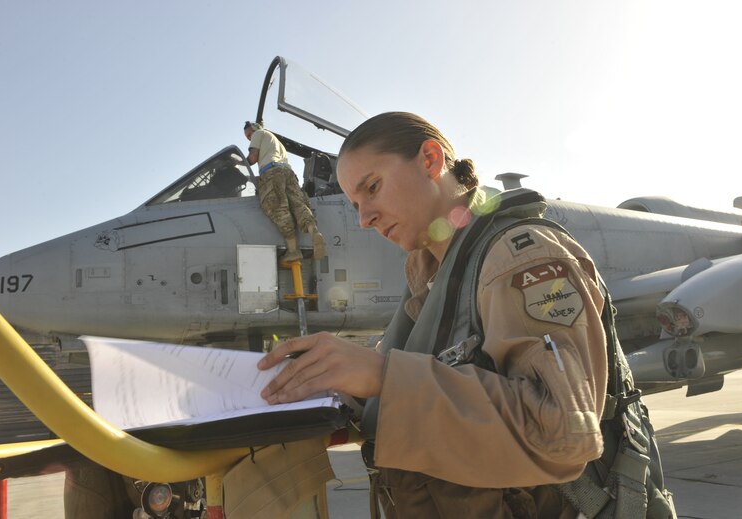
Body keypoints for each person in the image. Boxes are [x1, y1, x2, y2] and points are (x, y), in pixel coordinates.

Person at [258, 112, 675, 518]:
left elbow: (564, 434)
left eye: (372, 187)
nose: (364, 218)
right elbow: (429, 369)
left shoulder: (519, 258)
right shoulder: (434, 275)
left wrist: (383, 377)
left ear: (430, 160)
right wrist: (333, 386)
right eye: (355, 203)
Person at [244, 121, 325, 262]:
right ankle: (314, 232)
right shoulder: (275, 141)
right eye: (248, 137)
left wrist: (237, 164)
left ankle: (293, 250)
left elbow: (252, 158)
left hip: (271, 172)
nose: (250, 138)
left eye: (249, 134)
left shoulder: (259, 134)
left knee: (277, 208)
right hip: (288, 173)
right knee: (299, 205)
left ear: (256, 129)